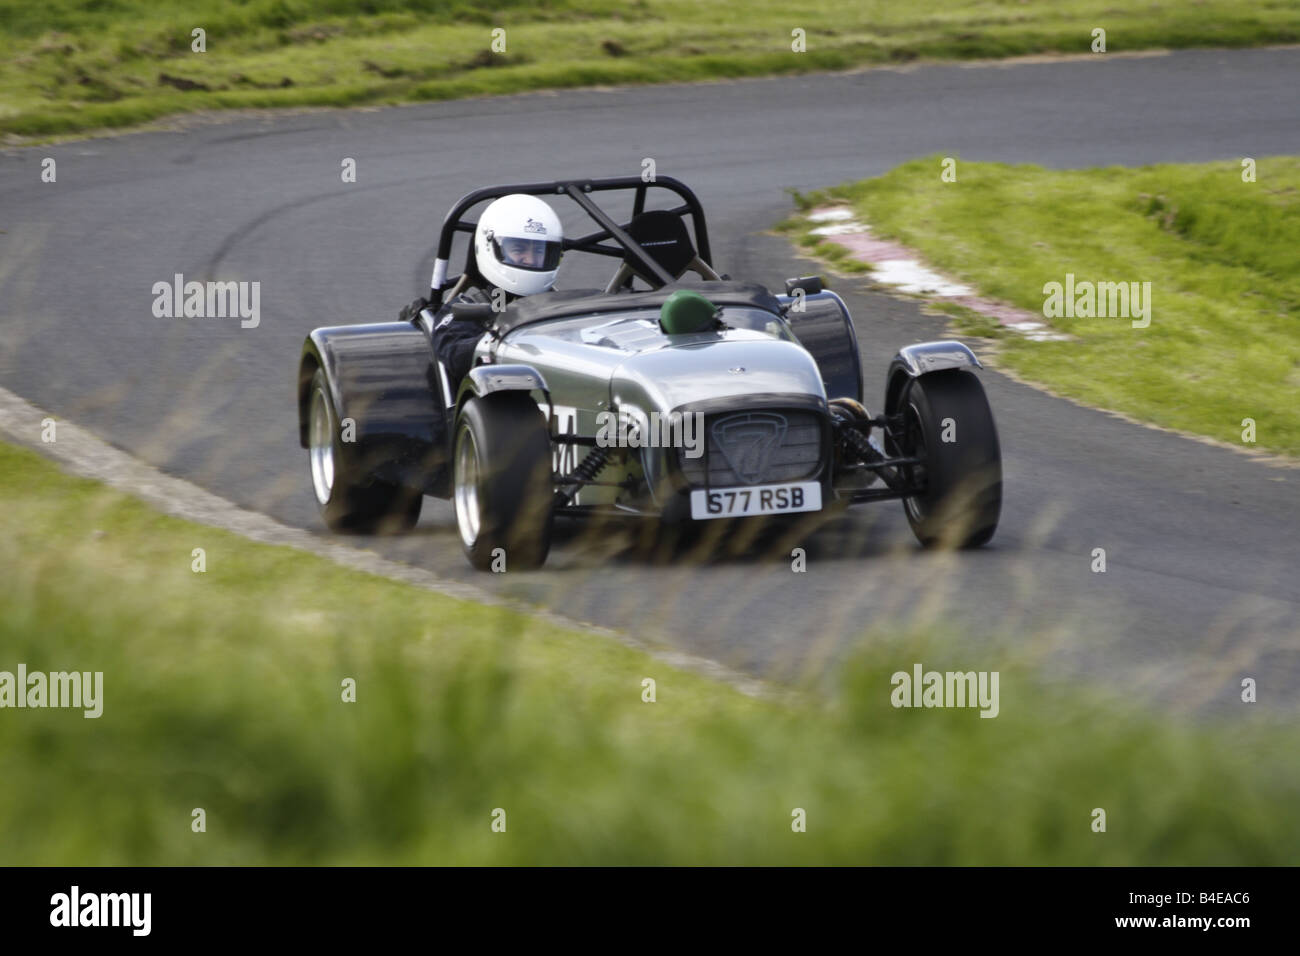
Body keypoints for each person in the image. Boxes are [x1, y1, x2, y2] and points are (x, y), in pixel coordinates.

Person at [399, 194, 564, 386]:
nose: (529, 259)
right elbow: (455, 356)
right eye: (519, 250)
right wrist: (500, 341)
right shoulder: (468, 306)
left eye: (538, 252)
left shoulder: (560, 305)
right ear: (489, 246)